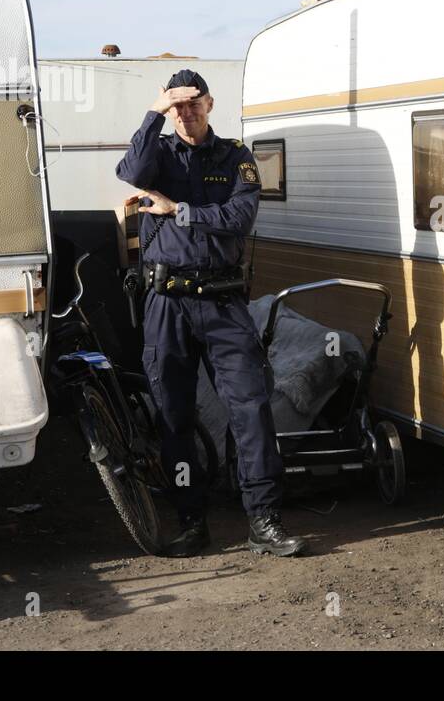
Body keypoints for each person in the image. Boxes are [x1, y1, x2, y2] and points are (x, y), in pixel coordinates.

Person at [116, 69, 305, 558]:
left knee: (252, 411)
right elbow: (131, 174)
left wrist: (178, 210)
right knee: (175, 419)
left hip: (223, 302)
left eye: (193, 102)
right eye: (176, 106)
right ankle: (191, 522)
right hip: (167, 306)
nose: (185, 112)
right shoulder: (156, 153)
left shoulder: (236, 158)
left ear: (210, 104)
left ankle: (263, 521)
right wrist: (152, 112)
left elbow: (239, 219)